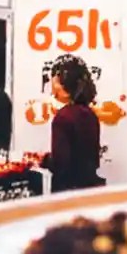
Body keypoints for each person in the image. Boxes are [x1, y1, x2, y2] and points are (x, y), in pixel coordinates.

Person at [42, 55, 103, 192]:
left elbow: (61, 163)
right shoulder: (90, 114)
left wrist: (44, 160)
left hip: (68, 192)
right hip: (89, 189)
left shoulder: (63, 117)